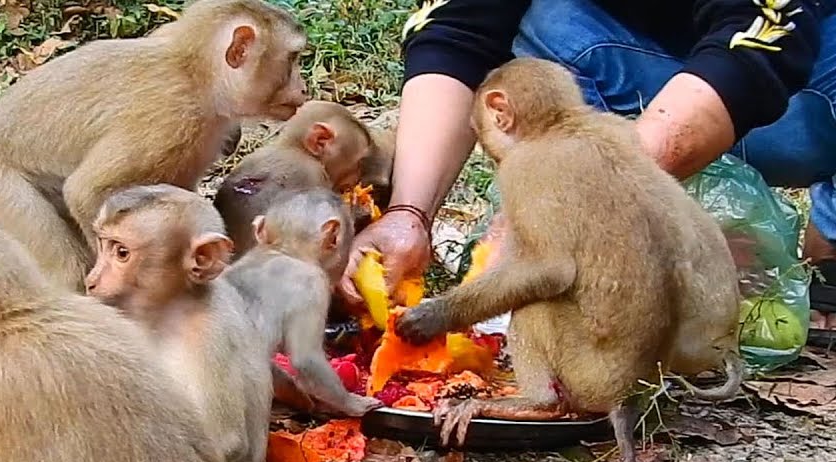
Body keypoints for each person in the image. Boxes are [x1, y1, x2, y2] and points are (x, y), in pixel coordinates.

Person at [343, 0, 836, 339]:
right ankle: (625, 253)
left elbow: (763, 39)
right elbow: (457, 31)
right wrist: (408, 214)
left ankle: (829, 238)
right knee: (546, 23)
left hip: (804, 96)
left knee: (800, 120)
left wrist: (578, 197)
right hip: (640, 54)